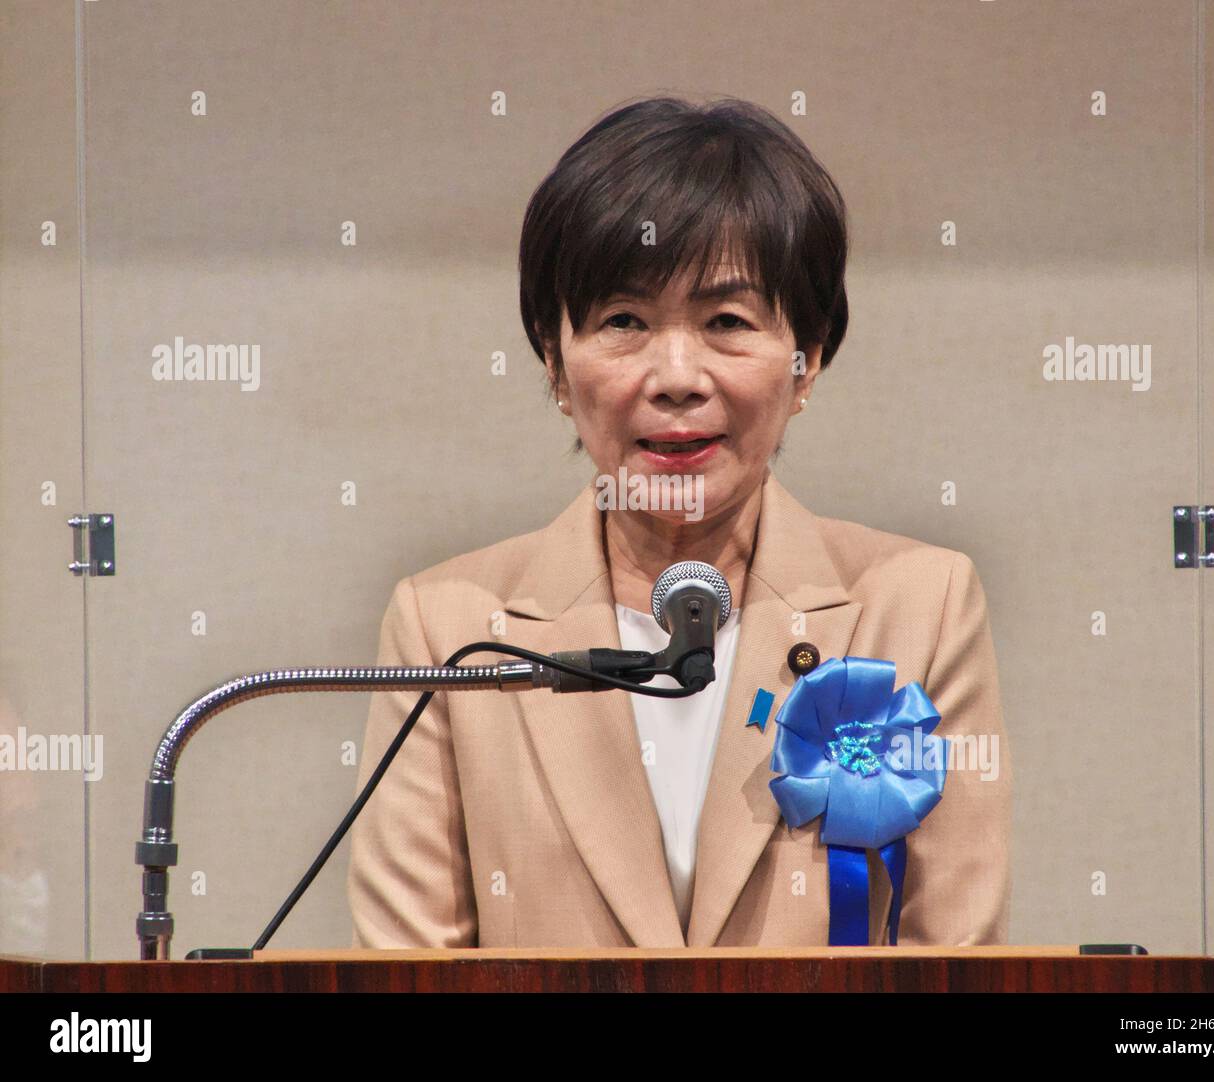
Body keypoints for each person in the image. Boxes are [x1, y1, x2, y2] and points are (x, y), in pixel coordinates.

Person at [347, 96, 1011, 948]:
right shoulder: (450, 629)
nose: (676, 377)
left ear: (807, 362)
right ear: (555, 365)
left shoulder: (919, 606)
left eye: (727, 322)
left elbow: (952, 964)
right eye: (623, 322)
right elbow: (411, 976)